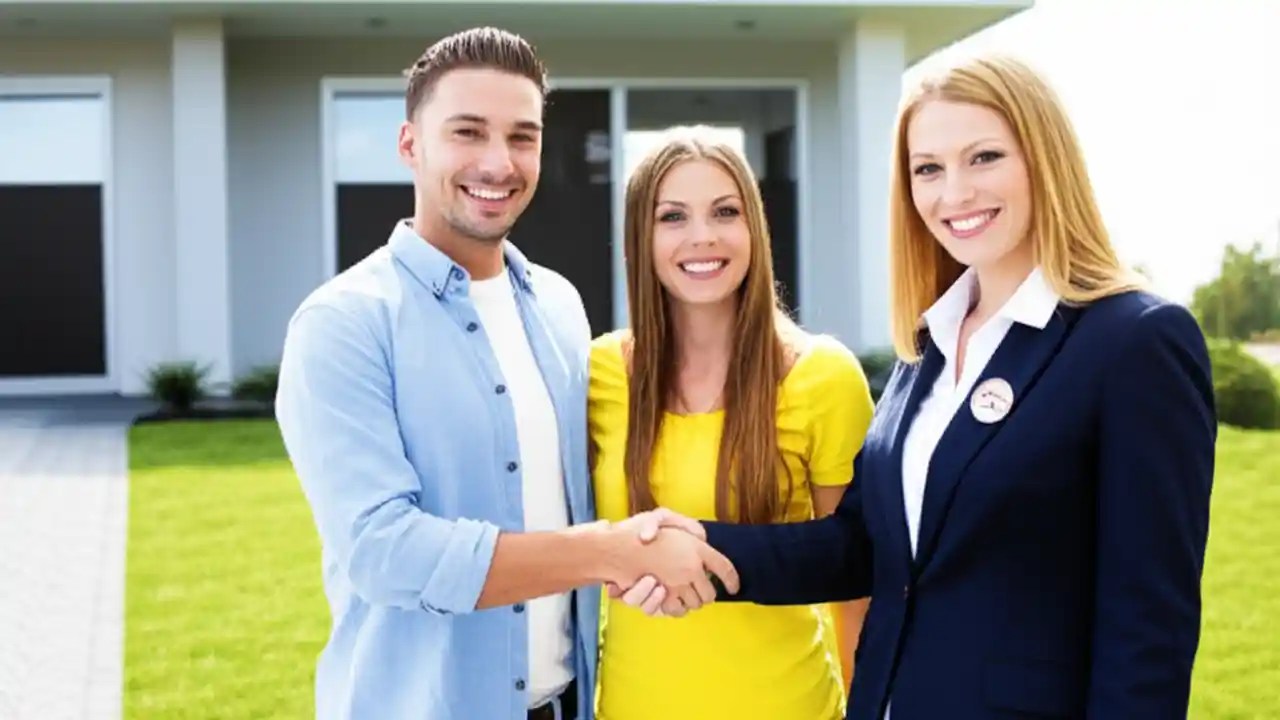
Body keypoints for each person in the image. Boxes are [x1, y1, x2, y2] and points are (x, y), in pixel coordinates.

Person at [616, 52, 1217, 719]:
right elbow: (864, 549)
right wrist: (701, 548)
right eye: (928, 168)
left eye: (983, 157)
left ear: (1045, 160)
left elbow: (1149, 626)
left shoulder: (1134, 340)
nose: (953, 193)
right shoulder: (928, 345)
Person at [274, 27, 739, 720]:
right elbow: (383, 550)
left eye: (522, 137)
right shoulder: (343, 324)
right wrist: (606, 553)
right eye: (468, 132)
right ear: (410, 145)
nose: (499, 162)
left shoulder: (558, 306)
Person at [587, 125, 875, 720]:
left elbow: (857, 581)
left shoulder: (823, 376)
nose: (702, 237)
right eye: (672, 217)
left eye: (725, 212)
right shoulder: (598, 375)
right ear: (640, 237)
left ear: (754, 230)